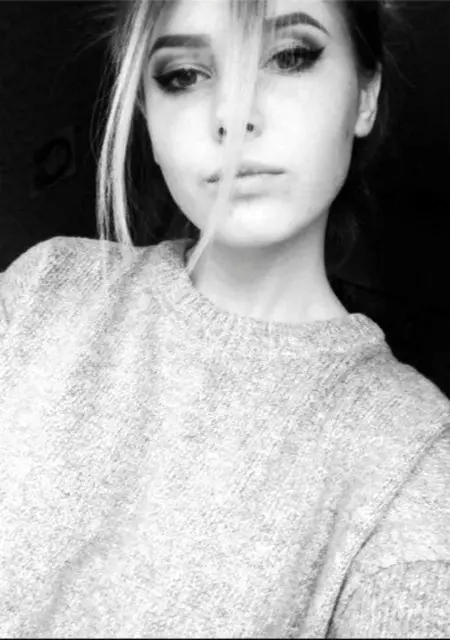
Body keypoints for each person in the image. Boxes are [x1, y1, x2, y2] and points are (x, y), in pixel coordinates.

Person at [0, 0, 449, 637]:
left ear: (365, 96)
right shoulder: (45, 289)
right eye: (183, 75)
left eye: (289, 56)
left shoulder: (417, 456)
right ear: (147, 115)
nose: (234, 115)